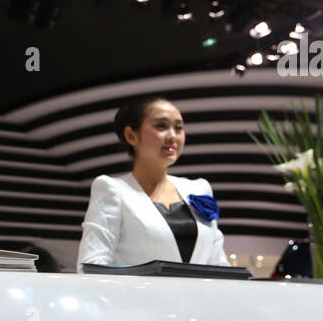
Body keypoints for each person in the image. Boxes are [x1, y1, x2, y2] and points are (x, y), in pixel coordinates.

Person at [77, 94, 229, 270]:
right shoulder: (112, 190)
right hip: (136, 297)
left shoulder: (199, 189)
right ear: (131, 136)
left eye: (179, 128)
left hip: (199, 297)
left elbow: (219, 264)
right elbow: (91, 266)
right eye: (161, 126)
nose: (173, 136)